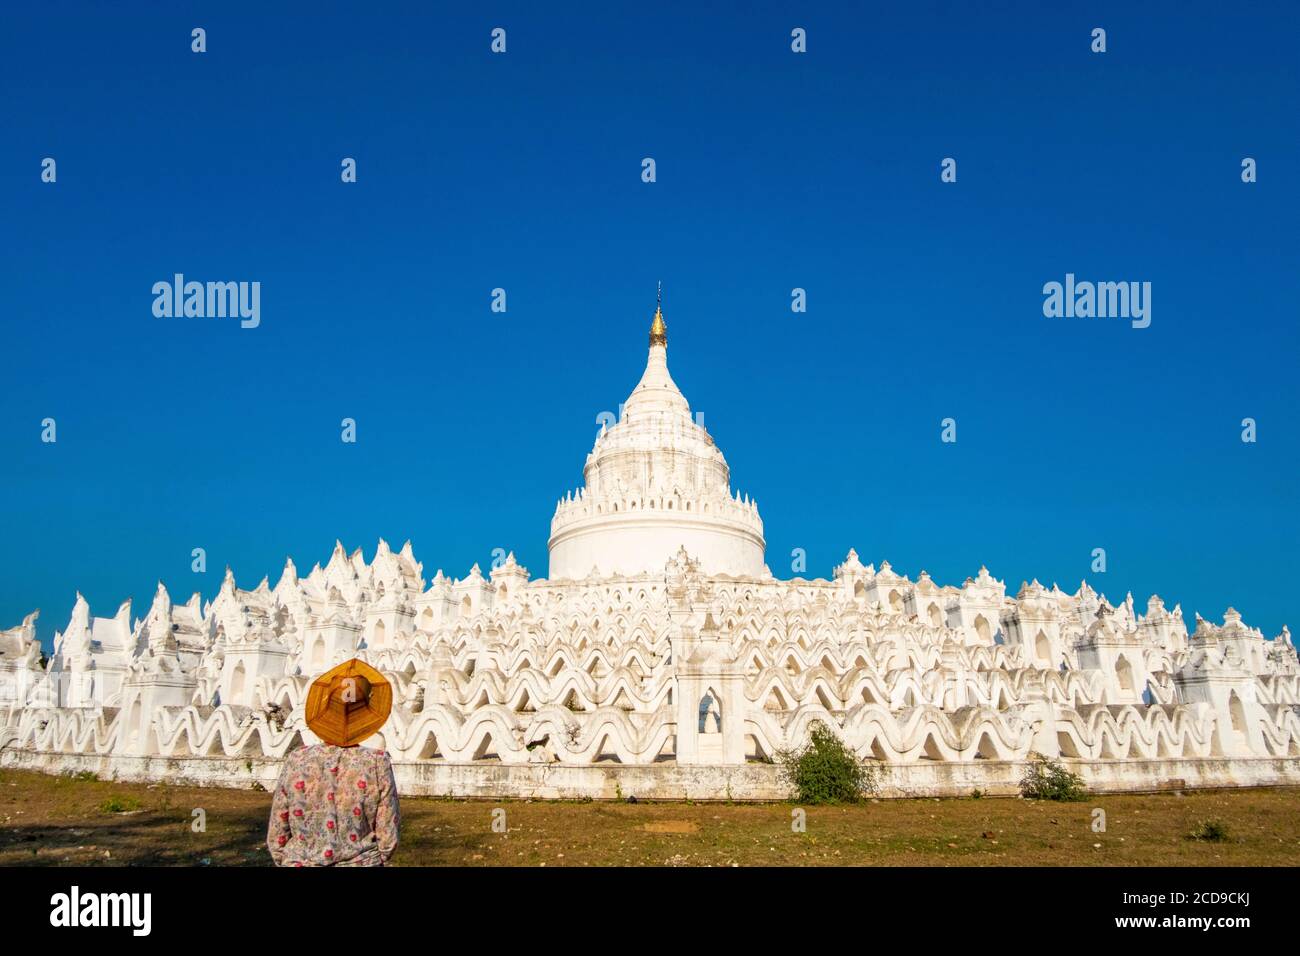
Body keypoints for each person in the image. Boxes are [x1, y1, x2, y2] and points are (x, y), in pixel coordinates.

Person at [267, 658, 400, 867]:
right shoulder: (376, 763)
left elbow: (277, 834)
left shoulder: (297, 759)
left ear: (324, 711)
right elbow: (388, 836)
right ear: (365, 716)